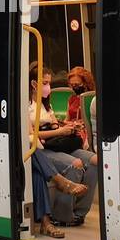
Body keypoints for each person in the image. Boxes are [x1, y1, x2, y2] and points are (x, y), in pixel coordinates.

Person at [30, 64, 97, 226]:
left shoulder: (46, 104)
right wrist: (58, 132)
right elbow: (31, 135)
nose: (48, 87)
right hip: (42, 148)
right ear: (33, 84)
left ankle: (79, 212)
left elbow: (54, 124)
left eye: (49, 83)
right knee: (76, 164)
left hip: (57, 143)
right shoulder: (26, 105)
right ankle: (62, 215)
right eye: (45, 83)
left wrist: (66, 127)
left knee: (95, 160)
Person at [65, 66, 96, 150]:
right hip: (72, 130)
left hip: (86, 133)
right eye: (72, 85)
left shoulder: (91, 98)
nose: (75, 87)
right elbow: (66, 119)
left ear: (86, 83)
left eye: (77, 84)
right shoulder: (72, 99)